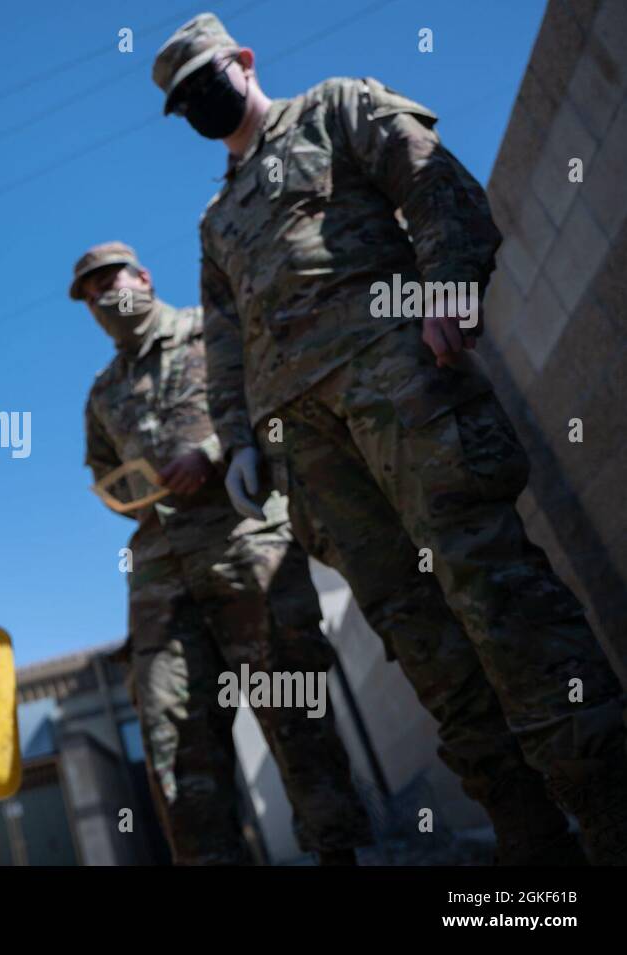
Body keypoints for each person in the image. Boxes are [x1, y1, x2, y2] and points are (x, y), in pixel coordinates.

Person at [153, 11, 623, 863]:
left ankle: (611, 800)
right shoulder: (215, 221)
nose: (201, 104)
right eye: (185, 101)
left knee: (492, 584)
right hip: (313, 449)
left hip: (403, 391)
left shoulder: (334, 107)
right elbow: (225, 343)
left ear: (245, 62)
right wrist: (242, 441)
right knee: (417, 632)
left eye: (208, 82)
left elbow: (427, 172)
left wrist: (446, 279)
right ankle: (529, 835)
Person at [75, 241, 371, 865]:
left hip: (244, 541)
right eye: (92, 293)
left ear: (144, 277)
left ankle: (338, 854)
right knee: (171, 735)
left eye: (110, 280)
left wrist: (211, 453)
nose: (105, 297)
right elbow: (105, 473)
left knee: (293, 716)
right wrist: (132, 493)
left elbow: (274, 404)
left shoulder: (215, 334)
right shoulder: (103, 394)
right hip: (160, 570)